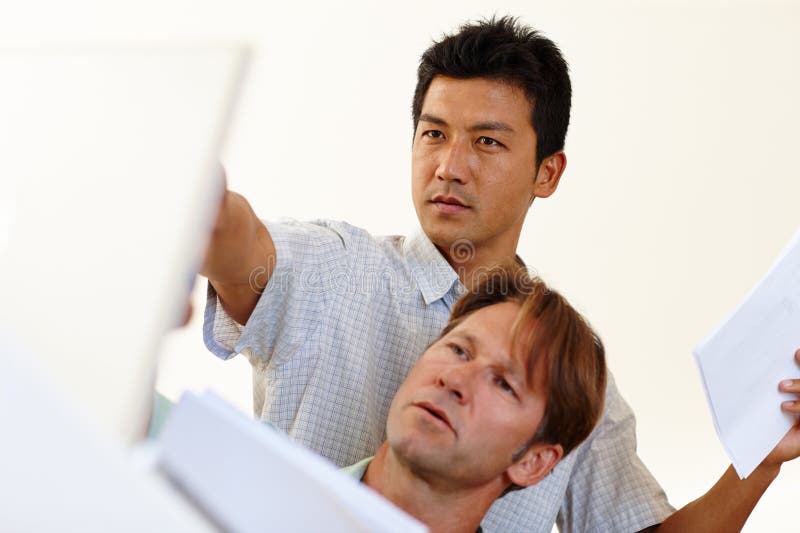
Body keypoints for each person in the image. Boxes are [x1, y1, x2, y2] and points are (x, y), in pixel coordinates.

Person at [200, 16, 800, 531]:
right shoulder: (331, 270)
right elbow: (238, 242)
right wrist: (190, 189)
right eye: (433, 134)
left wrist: (762, 458)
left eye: (487, 142)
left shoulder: (567, 373)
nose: (450, 167)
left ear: (548, 173)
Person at [347, 269, 607, 533]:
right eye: (458, 350)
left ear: (533, 461)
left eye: (505, 384)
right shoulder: (301, 498)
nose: (453, 378)